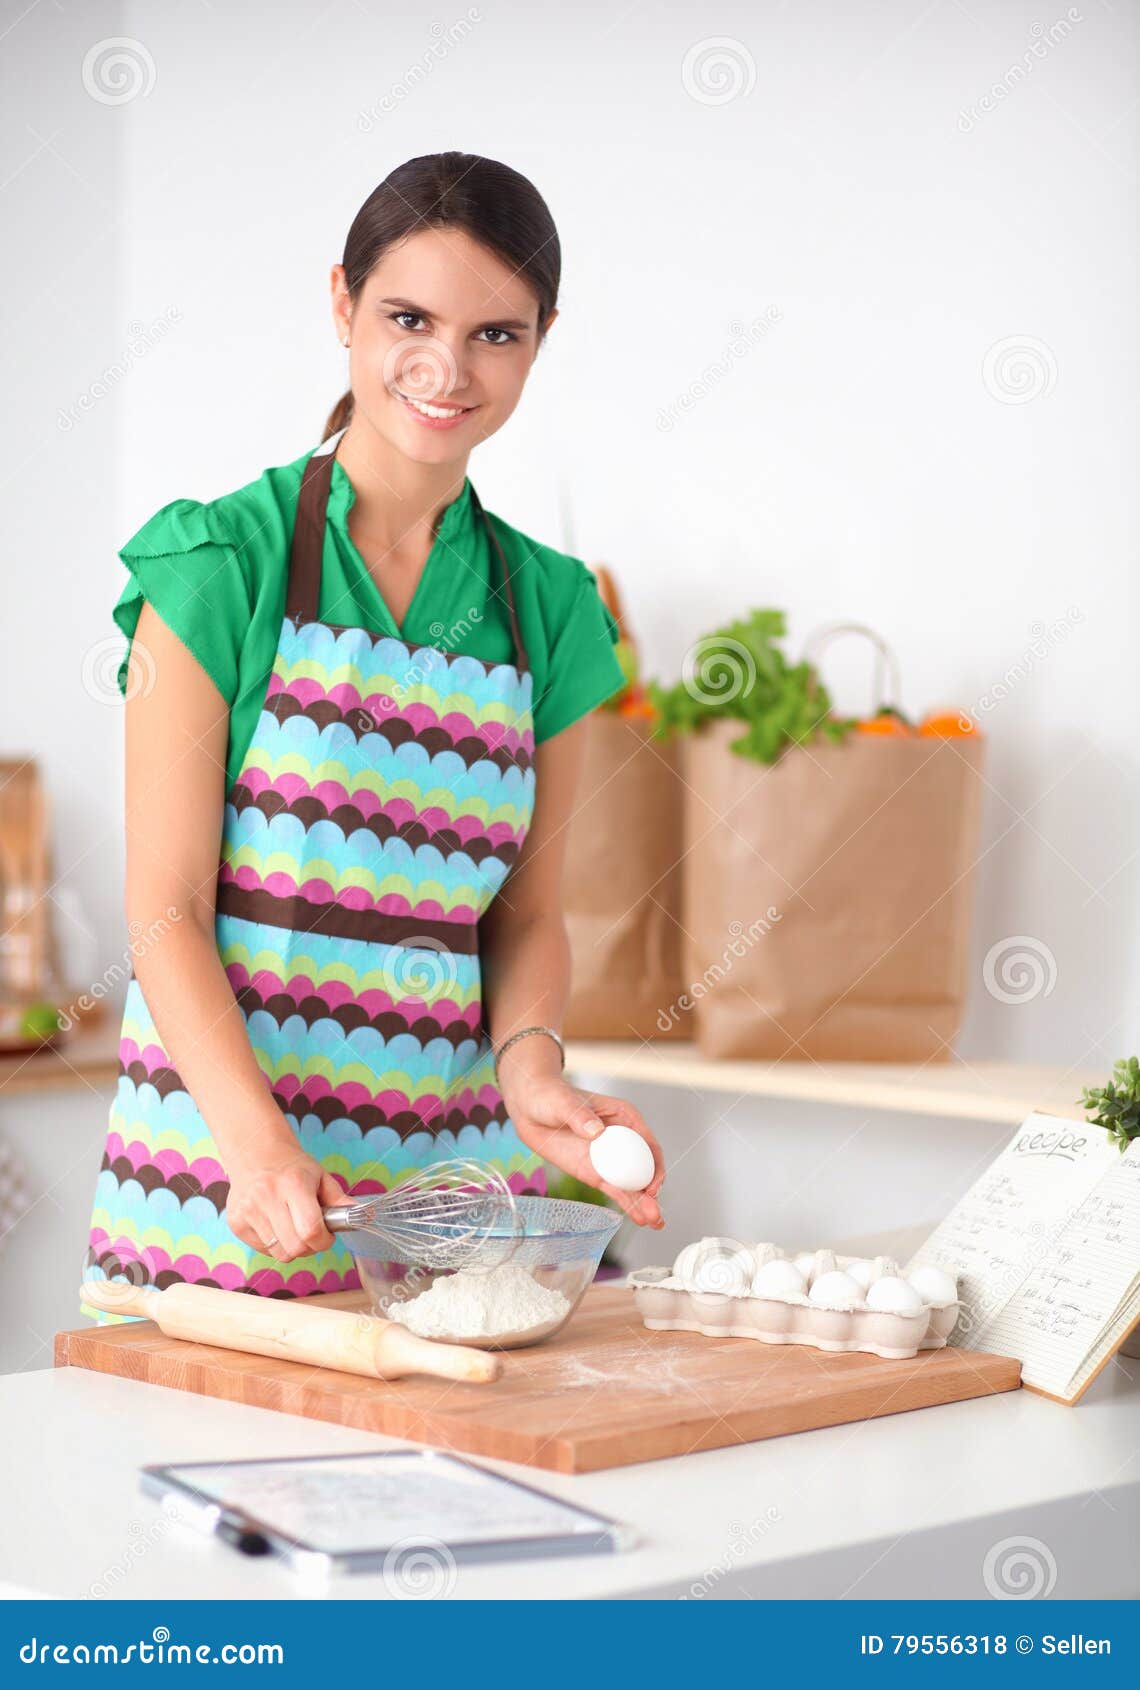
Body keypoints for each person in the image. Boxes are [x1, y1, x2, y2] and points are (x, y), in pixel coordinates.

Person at [82, 151, 665, 1314]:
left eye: (497, 334)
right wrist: (255, 1146)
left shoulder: (549, 605)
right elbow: (164, 911)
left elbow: (529, 912)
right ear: (343, 302)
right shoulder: (218, 566)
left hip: (456, 1214)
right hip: (224, 1186)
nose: (447, 369)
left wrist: (534, 1065)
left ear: (542, 341)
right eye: (410, 317)